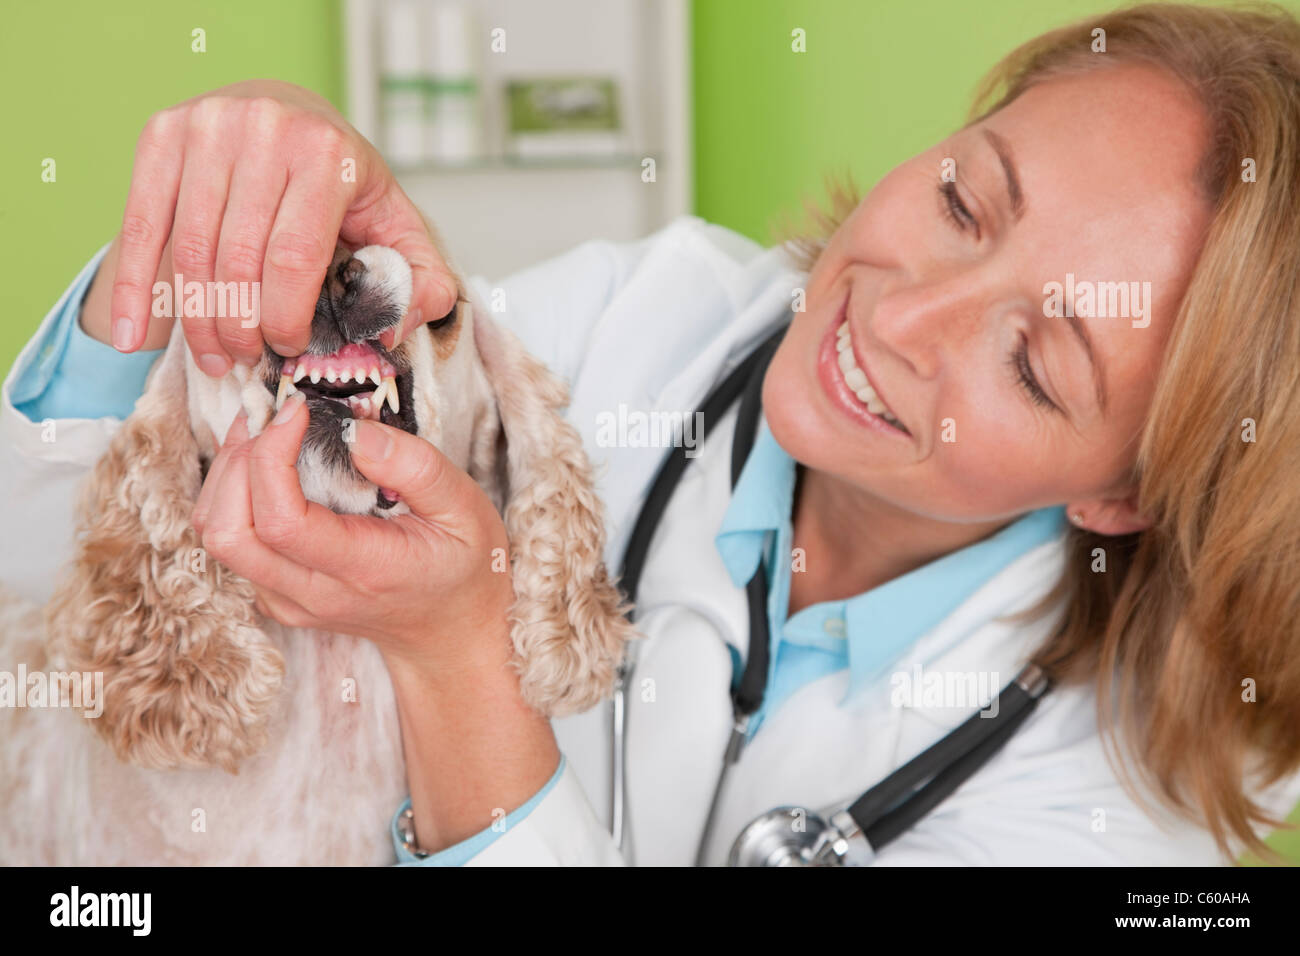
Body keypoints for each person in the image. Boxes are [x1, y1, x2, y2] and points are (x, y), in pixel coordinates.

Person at [5, 2, 1300, 865]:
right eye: (966, 200)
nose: (904, 315)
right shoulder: (654, 323)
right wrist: (216, 248)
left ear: (1125, 494)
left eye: (1033, 359)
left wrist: (462, 666)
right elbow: (62, 581)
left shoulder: (1113, 829)